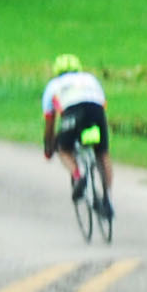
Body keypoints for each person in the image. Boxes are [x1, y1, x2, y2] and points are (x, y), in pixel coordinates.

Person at [41, 52, 112, 221]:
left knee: (64, 149)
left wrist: (49, 148)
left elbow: (50, 123)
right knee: (102, 154)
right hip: (96, 111)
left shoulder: (53, 85)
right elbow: (102, 104)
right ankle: (107, 199)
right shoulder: (90, 78)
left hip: (72, 110)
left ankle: (78, 175)